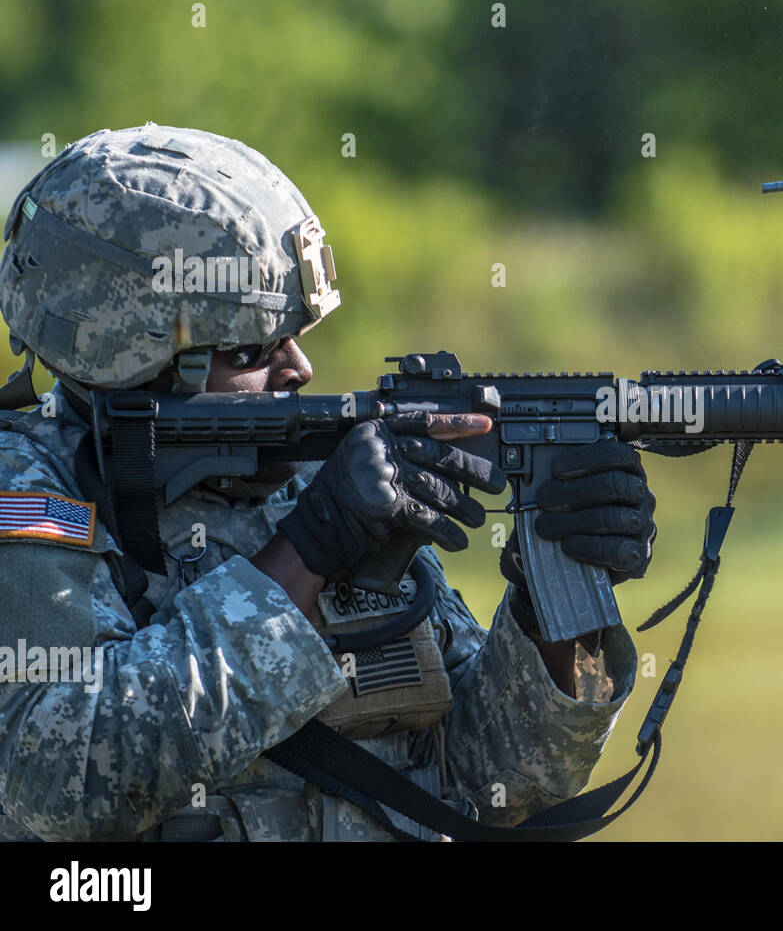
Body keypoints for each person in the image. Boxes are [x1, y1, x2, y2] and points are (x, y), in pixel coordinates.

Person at [0, 124, 655, 841]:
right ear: (128, 359)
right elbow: (53, 787)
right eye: (251, 349)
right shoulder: (35, 494)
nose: (299, 370)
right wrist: (305, 555)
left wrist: (548, 613)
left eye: (295, 335)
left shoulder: (313, 483)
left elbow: (492, 785)